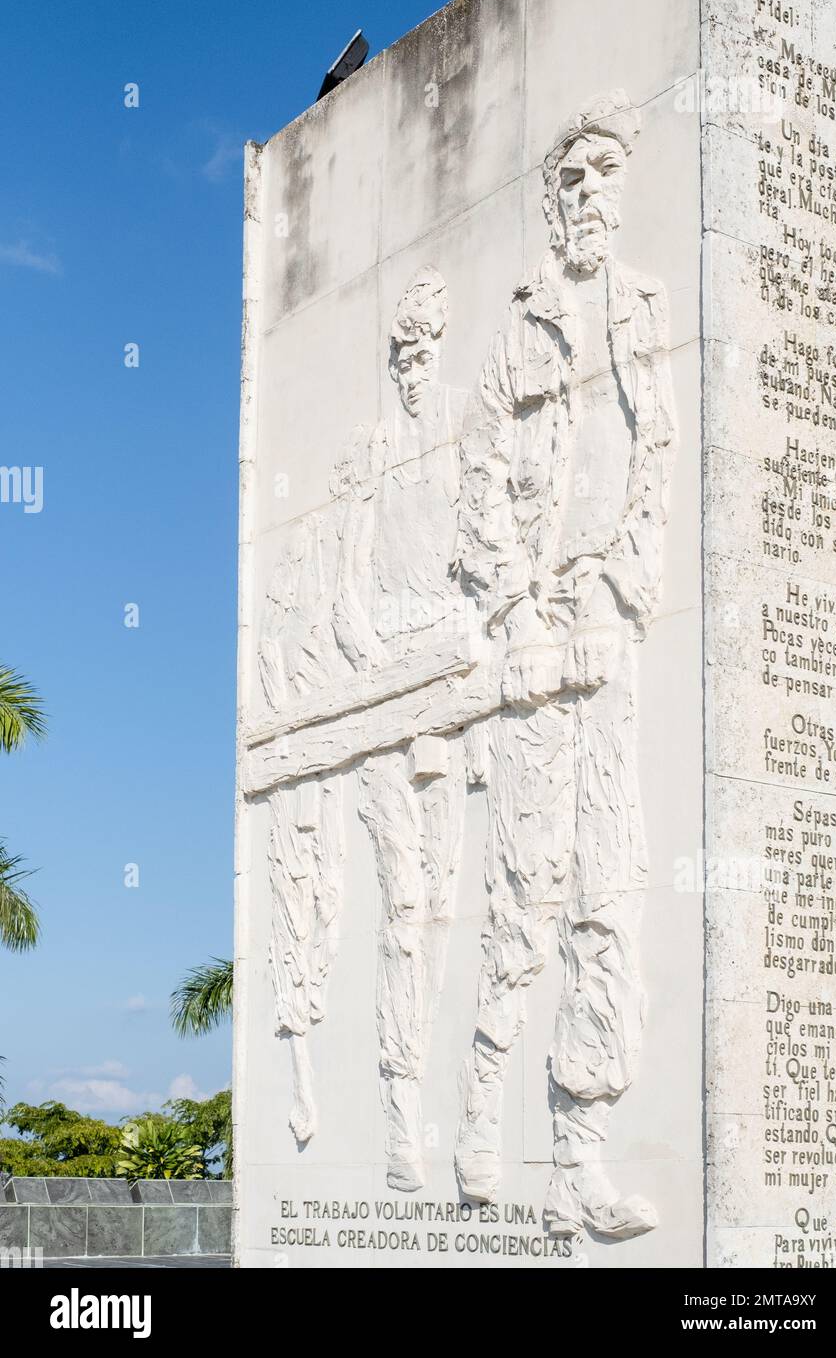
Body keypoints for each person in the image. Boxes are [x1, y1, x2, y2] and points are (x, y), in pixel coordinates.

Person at [453, 92, 678, 1239]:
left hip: (606, 639)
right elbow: (476, 487)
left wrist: (618, 586)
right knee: (521, 900)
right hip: (534, 645)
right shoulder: (516, 329)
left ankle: (577, 1158)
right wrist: (519, 609)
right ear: (553, 200)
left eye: (606, 175)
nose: (593, 194)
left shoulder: (643, 312)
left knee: (608, 901)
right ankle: (481, 1114)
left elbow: (659, 465)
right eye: (573, 179)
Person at [334, 268, 468, 1191]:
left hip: (455, 686)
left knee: (453, 908)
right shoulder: (376, 451)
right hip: (386, 688)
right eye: (402, 352)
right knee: (403, 915)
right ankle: (397, 1116)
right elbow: (346, 578)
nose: (413, 365)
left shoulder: (467, 432)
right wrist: (372, 649)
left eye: (425, 349)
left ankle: (460, 1107)